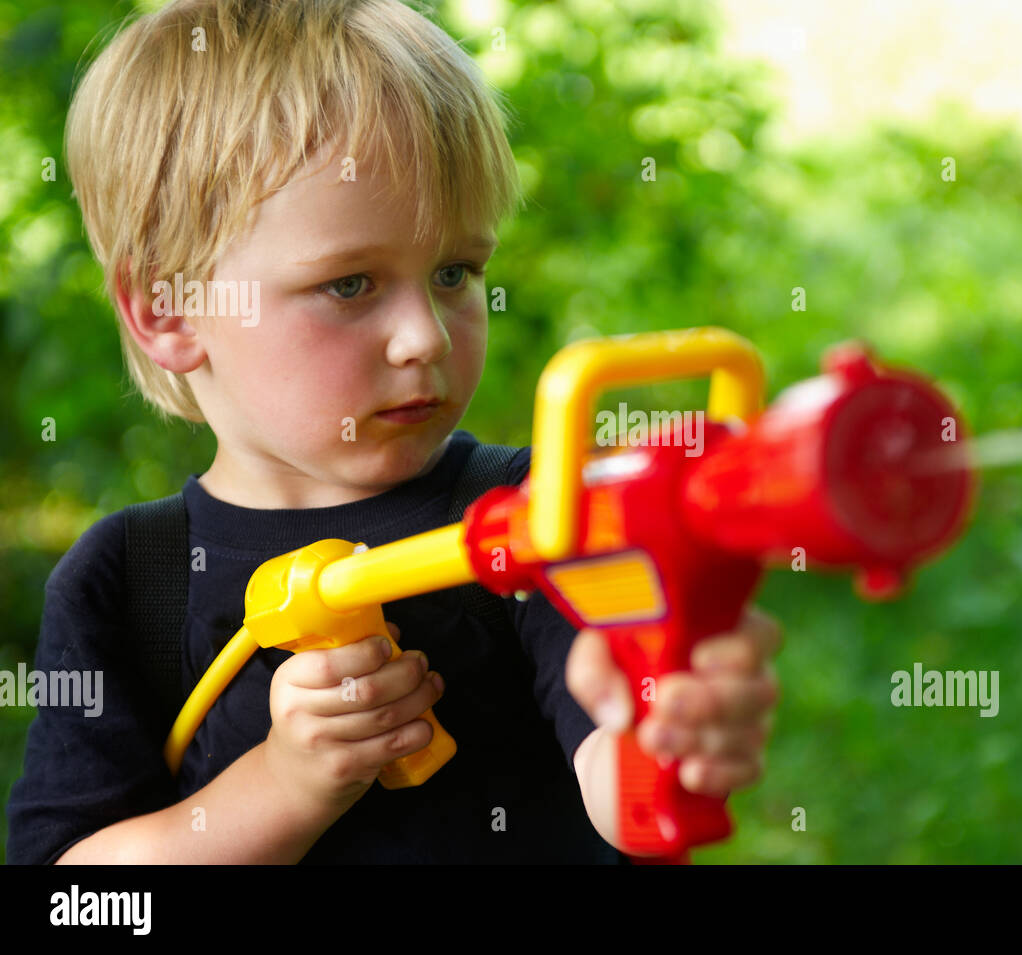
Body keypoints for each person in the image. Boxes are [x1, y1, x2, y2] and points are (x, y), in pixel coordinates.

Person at [4, 0, 780, 864]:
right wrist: (284, 786)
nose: (427, 337)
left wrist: (670, 732)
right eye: (351, 284)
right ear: (168, 309)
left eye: (454, 271)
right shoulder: (129, 583)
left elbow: (616, 781)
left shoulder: (536, 512)